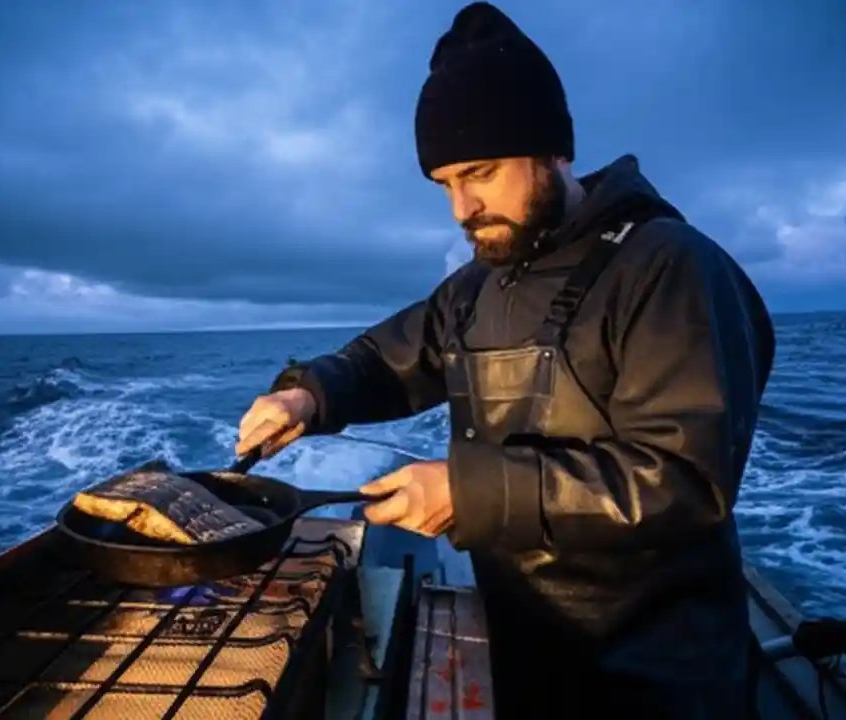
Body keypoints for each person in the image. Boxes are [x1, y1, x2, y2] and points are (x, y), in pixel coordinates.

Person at [236, 2, 775, 717]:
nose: (463, 207)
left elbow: (681, 479)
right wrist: (307, 396)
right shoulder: (475, 287)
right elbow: (385, 361)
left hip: (655, 675)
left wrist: (470, 491)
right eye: (445, 185)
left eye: (481, 172)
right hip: (517, 638)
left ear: (554, 150)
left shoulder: (669, 268)